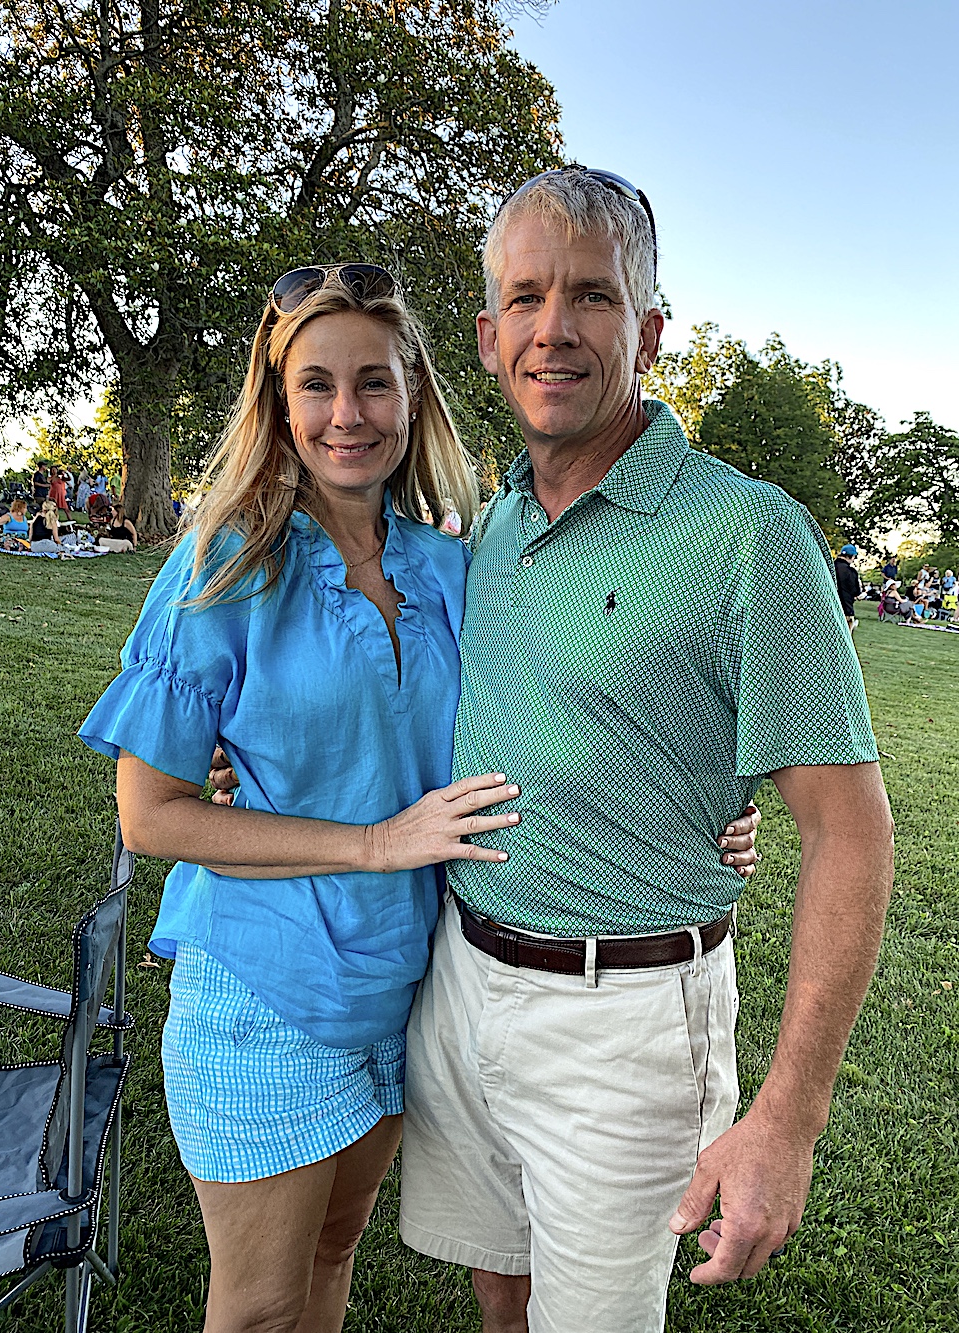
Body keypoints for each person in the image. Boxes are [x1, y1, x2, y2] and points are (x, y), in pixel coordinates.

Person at [80, 263, 759, 1333]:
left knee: (336, 1254)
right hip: (266, 990)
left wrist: (697, 810)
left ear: (415, 396)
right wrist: (372, 841)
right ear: (278, 402)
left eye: (374, 384)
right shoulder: (222, 564)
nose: (346, 415)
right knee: (256, 1307)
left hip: (408, 991)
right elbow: (152, 813)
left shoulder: (456, 565)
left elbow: (562, 706)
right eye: (316, 386)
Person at [390, 166, 893, 1333]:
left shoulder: (749, 531)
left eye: (591, 297)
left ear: (651, 332)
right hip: (459, 982)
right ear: (486, 333)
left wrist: (787, 1117)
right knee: (498, 1287)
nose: (552, 329)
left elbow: (850, 829)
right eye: (524, 298)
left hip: (623, 1022)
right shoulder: (493, 521)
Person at [833, 543, 863, 631]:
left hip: (829, 608)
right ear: (851, 556)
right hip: (846, 609)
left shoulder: (829, 568)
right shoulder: (851, 572)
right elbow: (856, 592)